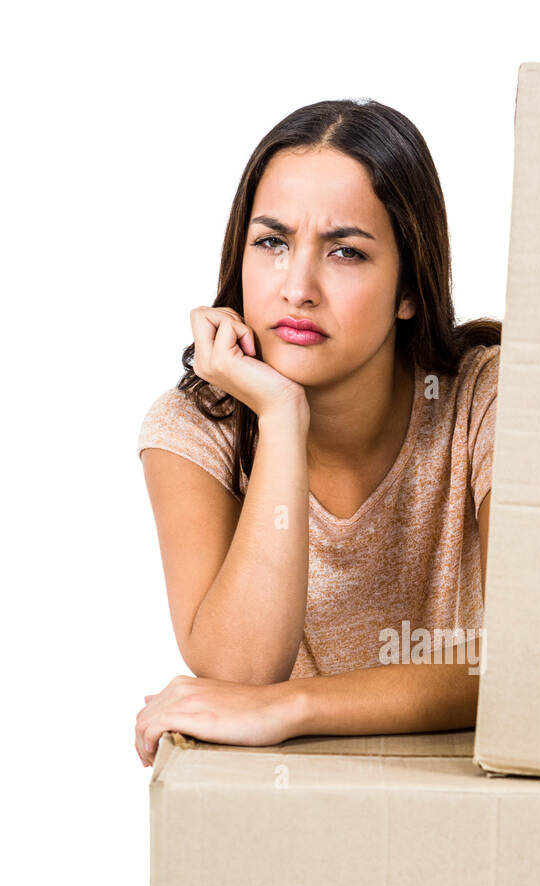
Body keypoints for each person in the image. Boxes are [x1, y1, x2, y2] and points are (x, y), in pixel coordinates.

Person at [135, 98, 500, 767]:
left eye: (345, 252)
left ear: (408, 289)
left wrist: (298, 704)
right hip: (303, 812)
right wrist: (279, 418)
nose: (297, 287)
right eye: (272, 243)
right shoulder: (193, 429)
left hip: (480, 800)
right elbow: (242, 675)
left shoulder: (487, 398)